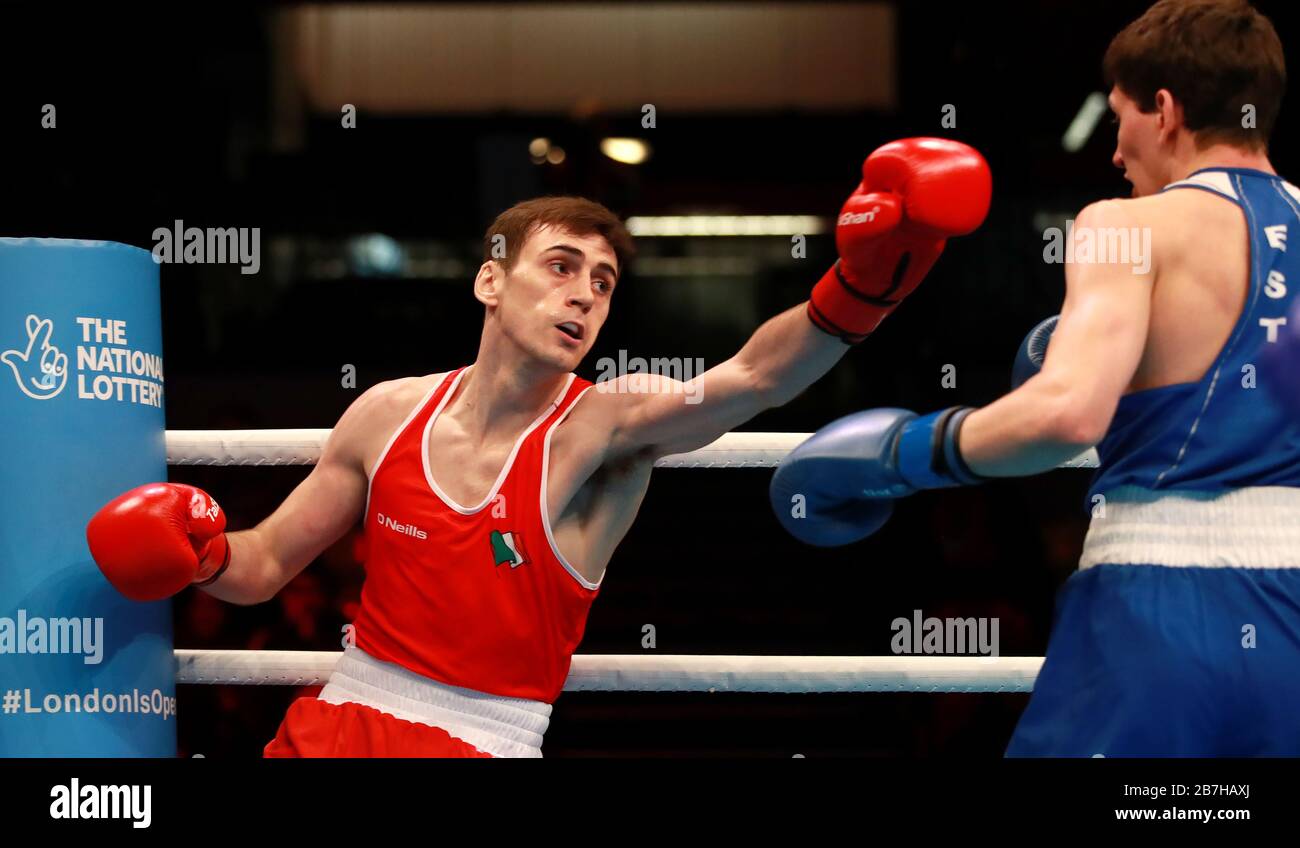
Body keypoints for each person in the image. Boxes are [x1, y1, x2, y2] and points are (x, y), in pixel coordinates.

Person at [85, 140, 991, 757]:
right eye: (561, 267)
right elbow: (267, 562)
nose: (584, 296)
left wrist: (863, 287)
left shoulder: (603, 428)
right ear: (492, 277)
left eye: (601, 283)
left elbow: (753, 379)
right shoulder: (386, 413)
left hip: (483, 739)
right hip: (337, 722)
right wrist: (200, 551)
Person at [771, 0, 1299, 756]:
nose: (1116, 155)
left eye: (1119, 120)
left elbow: (1068, 415)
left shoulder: (1127, 226)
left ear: (1165, 109)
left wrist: (899, 455)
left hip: (1160, 605)